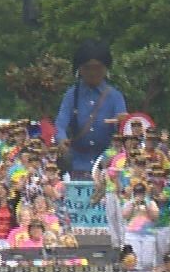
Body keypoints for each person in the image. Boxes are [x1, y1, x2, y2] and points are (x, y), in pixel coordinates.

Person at [53, 41, 127, 178]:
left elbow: (124, 128)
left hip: (108, 168)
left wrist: (121, 122)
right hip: (76, 167)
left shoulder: (115, 96)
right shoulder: (71, 95)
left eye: (98, 68)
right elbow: (60, 124)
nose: (93, 72)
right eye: (87, 68)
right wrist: (61, 139)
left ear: (106, 69)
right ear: (79, 69)